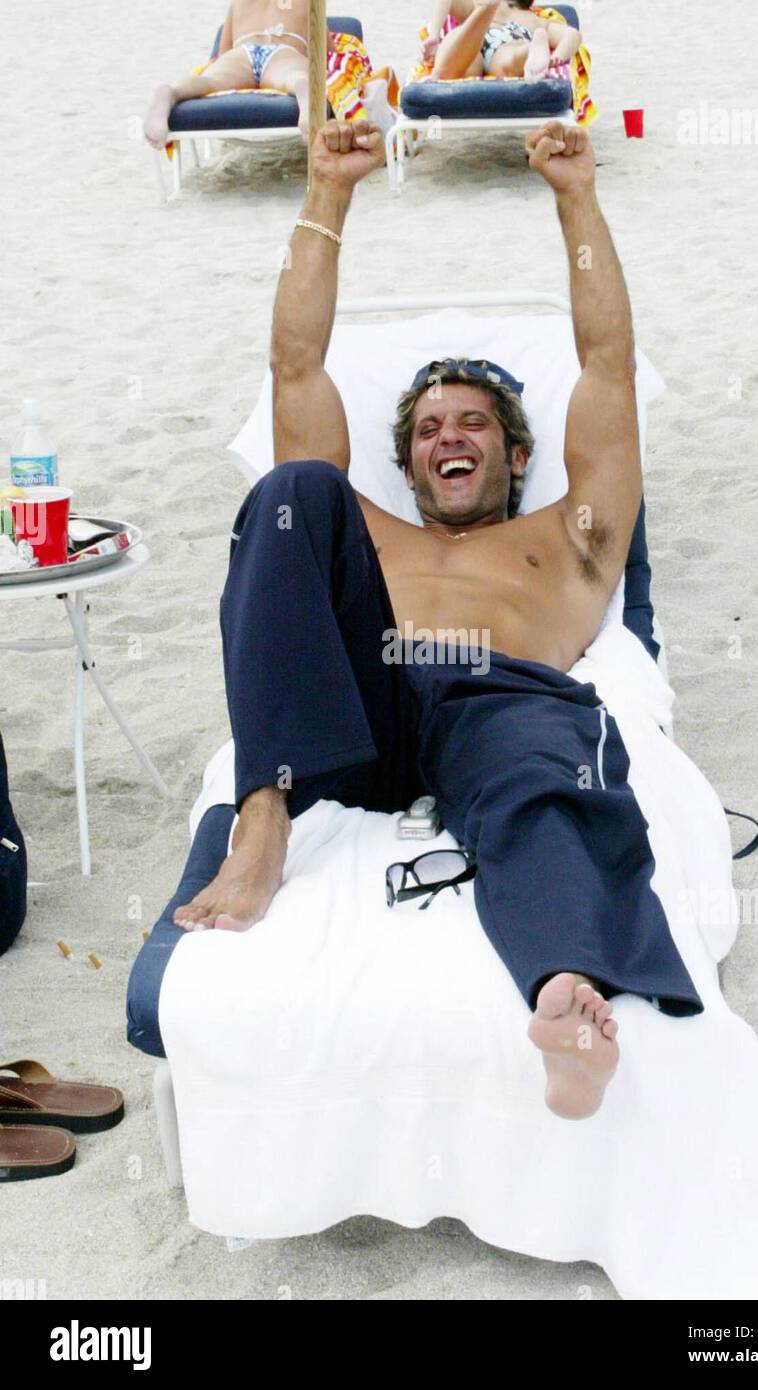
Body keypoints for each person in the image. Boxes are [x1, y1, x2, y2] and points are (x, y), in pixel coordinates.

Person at [128, 120, 701, 1120]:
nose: (449, 433)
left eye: (473, 419)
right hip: (363, 705)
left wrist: (576, 197)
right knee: (292, 488)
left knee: (538, 784)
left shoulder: (563, 537)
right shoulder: (371, 527)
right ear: (410, 457)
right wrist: (329, 193)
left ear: (514, 452)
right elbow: (294, 369)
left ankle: (566, 993)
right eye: (430, 425)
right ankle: (265, 818)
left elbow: (607, 366)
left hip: (503, 697)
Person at [144, 0, 397, 147]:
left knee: (210, 80)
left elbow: (221, 54)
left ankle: (171, 91)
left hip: (243, 51)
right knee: (296, 77)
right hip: (282, 49)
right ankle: (305, 97)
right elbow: (325, 49)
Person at [425, 0, 581, 81]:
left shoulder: (472, 5)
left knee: (447, 71)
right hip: (511, 39)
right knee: (510, 60)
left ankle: (486, 10)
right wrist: (557, 56)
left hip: (477, 35)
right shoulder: (536, 21)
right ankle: (528, 52)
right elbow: (572, 35)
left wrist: (434, 35)